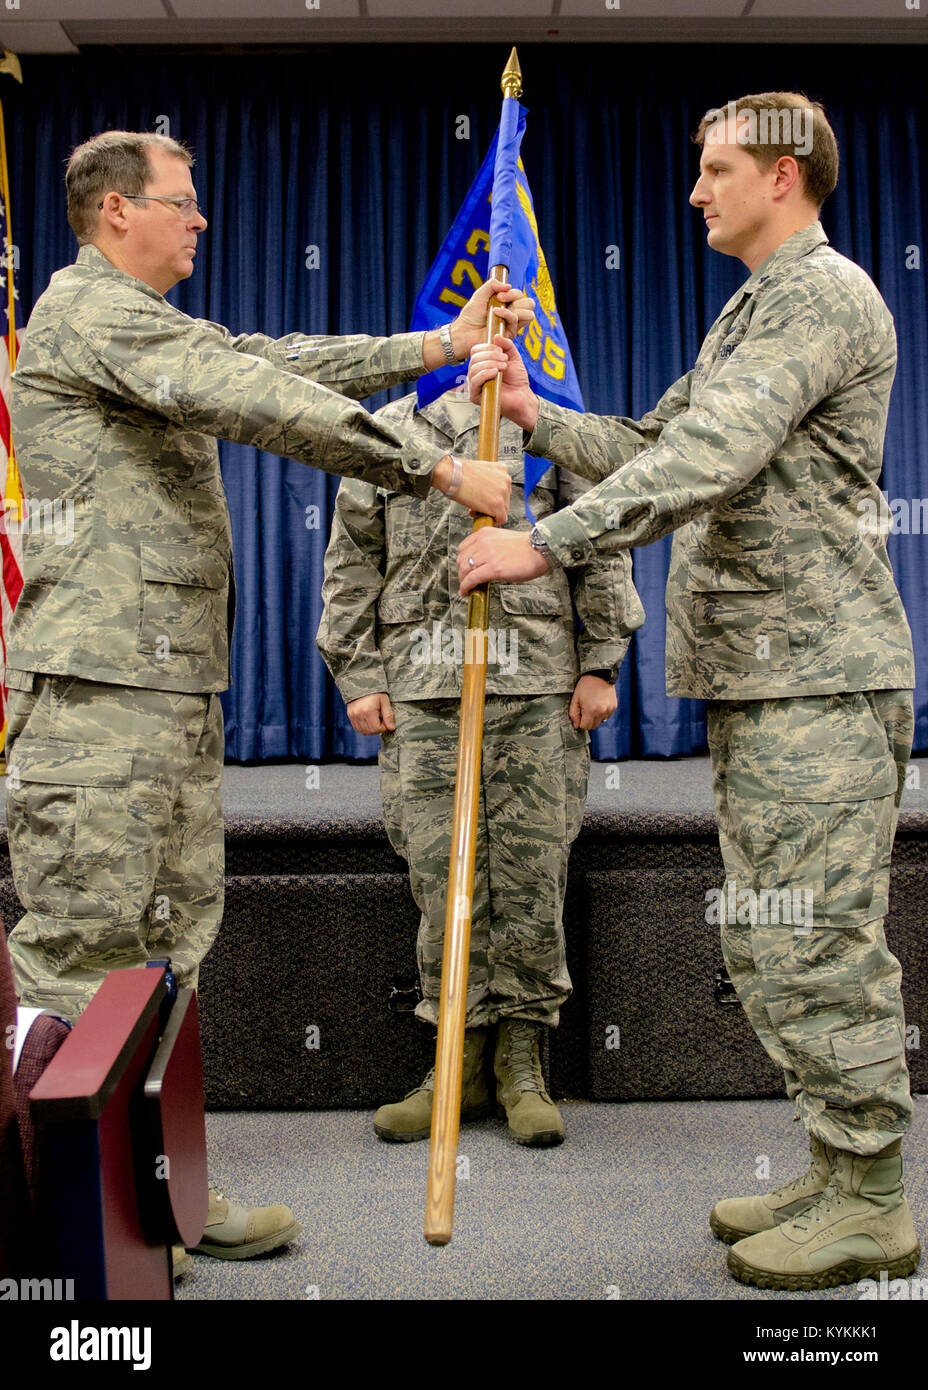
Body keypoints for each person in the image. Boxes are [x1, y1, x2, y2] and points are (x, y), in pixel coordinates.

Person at [2, 129, 530, 1265]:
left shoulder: (149, 324)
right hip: (96, 696)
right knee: (81, 960)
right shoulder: (86, 312)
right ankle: (66, 1240)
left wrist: (438, 342)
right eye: (181, 204)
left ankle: (158, 1206)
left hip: (170, 691)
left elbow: (270, 358)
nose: (200, 221)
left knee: (168, 949)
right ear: (114, 215)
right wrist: (435, 465)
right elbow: (251, 395)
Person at [457, 92, 920, 1291]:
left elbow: (708, 460)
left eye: (717, 170)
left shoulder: (819, 295)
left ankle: (873, 1193)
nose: (696, 191)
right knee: (777, 943)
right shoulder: (753, 308)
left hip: (817, 677)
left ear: (784, 176)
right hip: (773, 682)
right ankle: (834, 1162)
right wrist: (533, 415)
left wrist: (542, 545)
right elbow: (660, 438)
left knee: (816, 941)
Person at [317, 388, 643, 1146]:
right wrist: (357, 671)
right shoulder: (393, 429)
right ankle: (454, 1055)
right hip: (426, 680)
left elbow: (601, 543)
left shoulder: (544, 417)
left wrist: (601, 661)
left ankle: (523, 1062)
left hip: (537, 677)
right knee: (440, 872)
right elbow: (353, 555)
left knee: (532, 869)